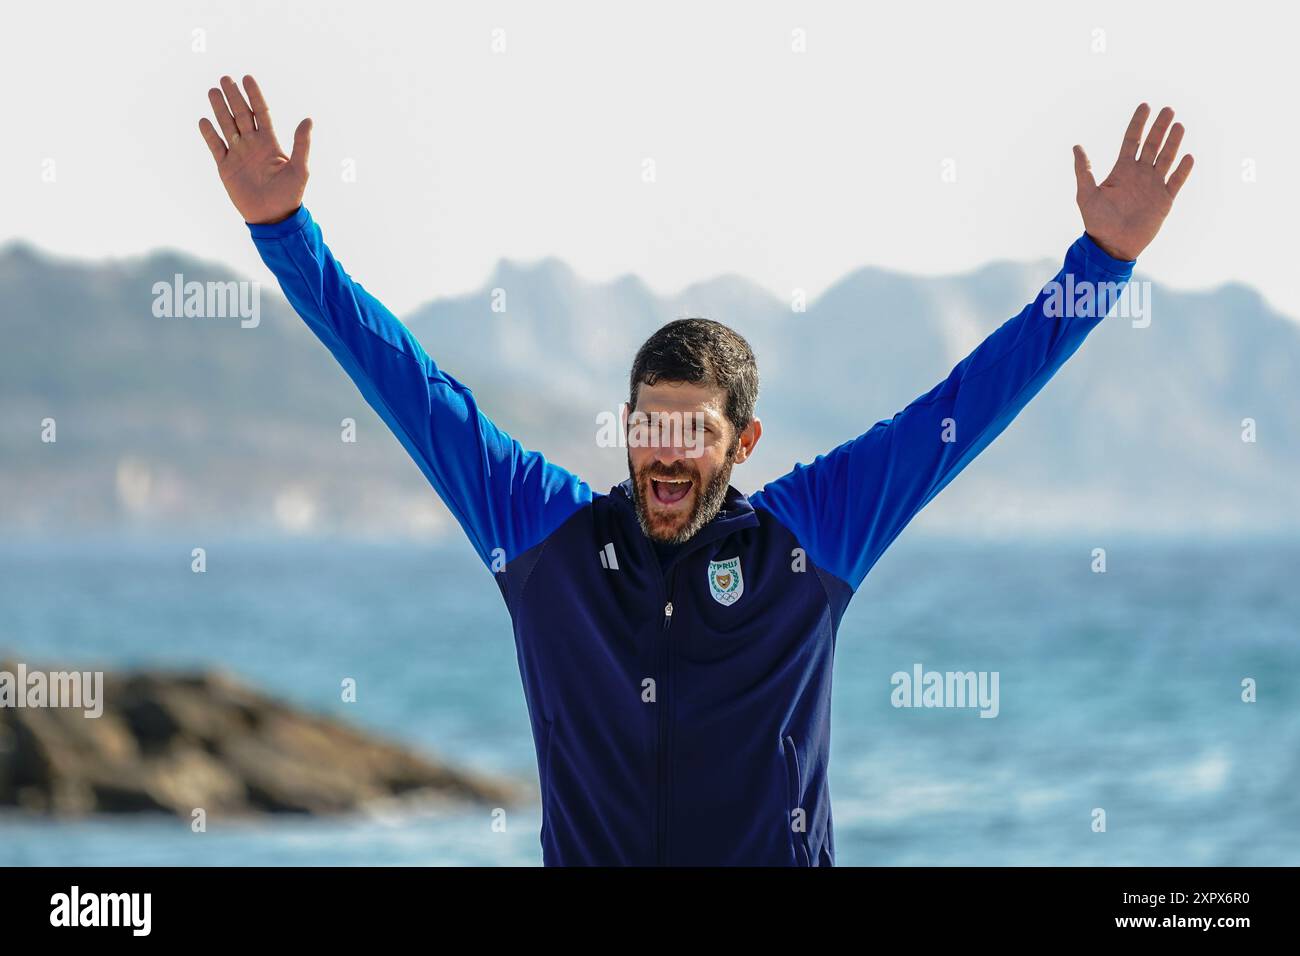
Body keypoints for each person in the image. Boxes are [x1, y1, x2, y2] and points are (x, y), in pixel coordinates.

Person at [199, 76, 1193, 865]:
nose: (665, 453)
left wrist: (1100, 262)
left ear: (741, 442)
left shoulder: (811, 536)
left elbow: (965, 404)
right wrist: (286, 235)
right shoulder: (545, 536)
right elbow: (407, 386)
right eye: (648, 425)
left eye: (692, 431)